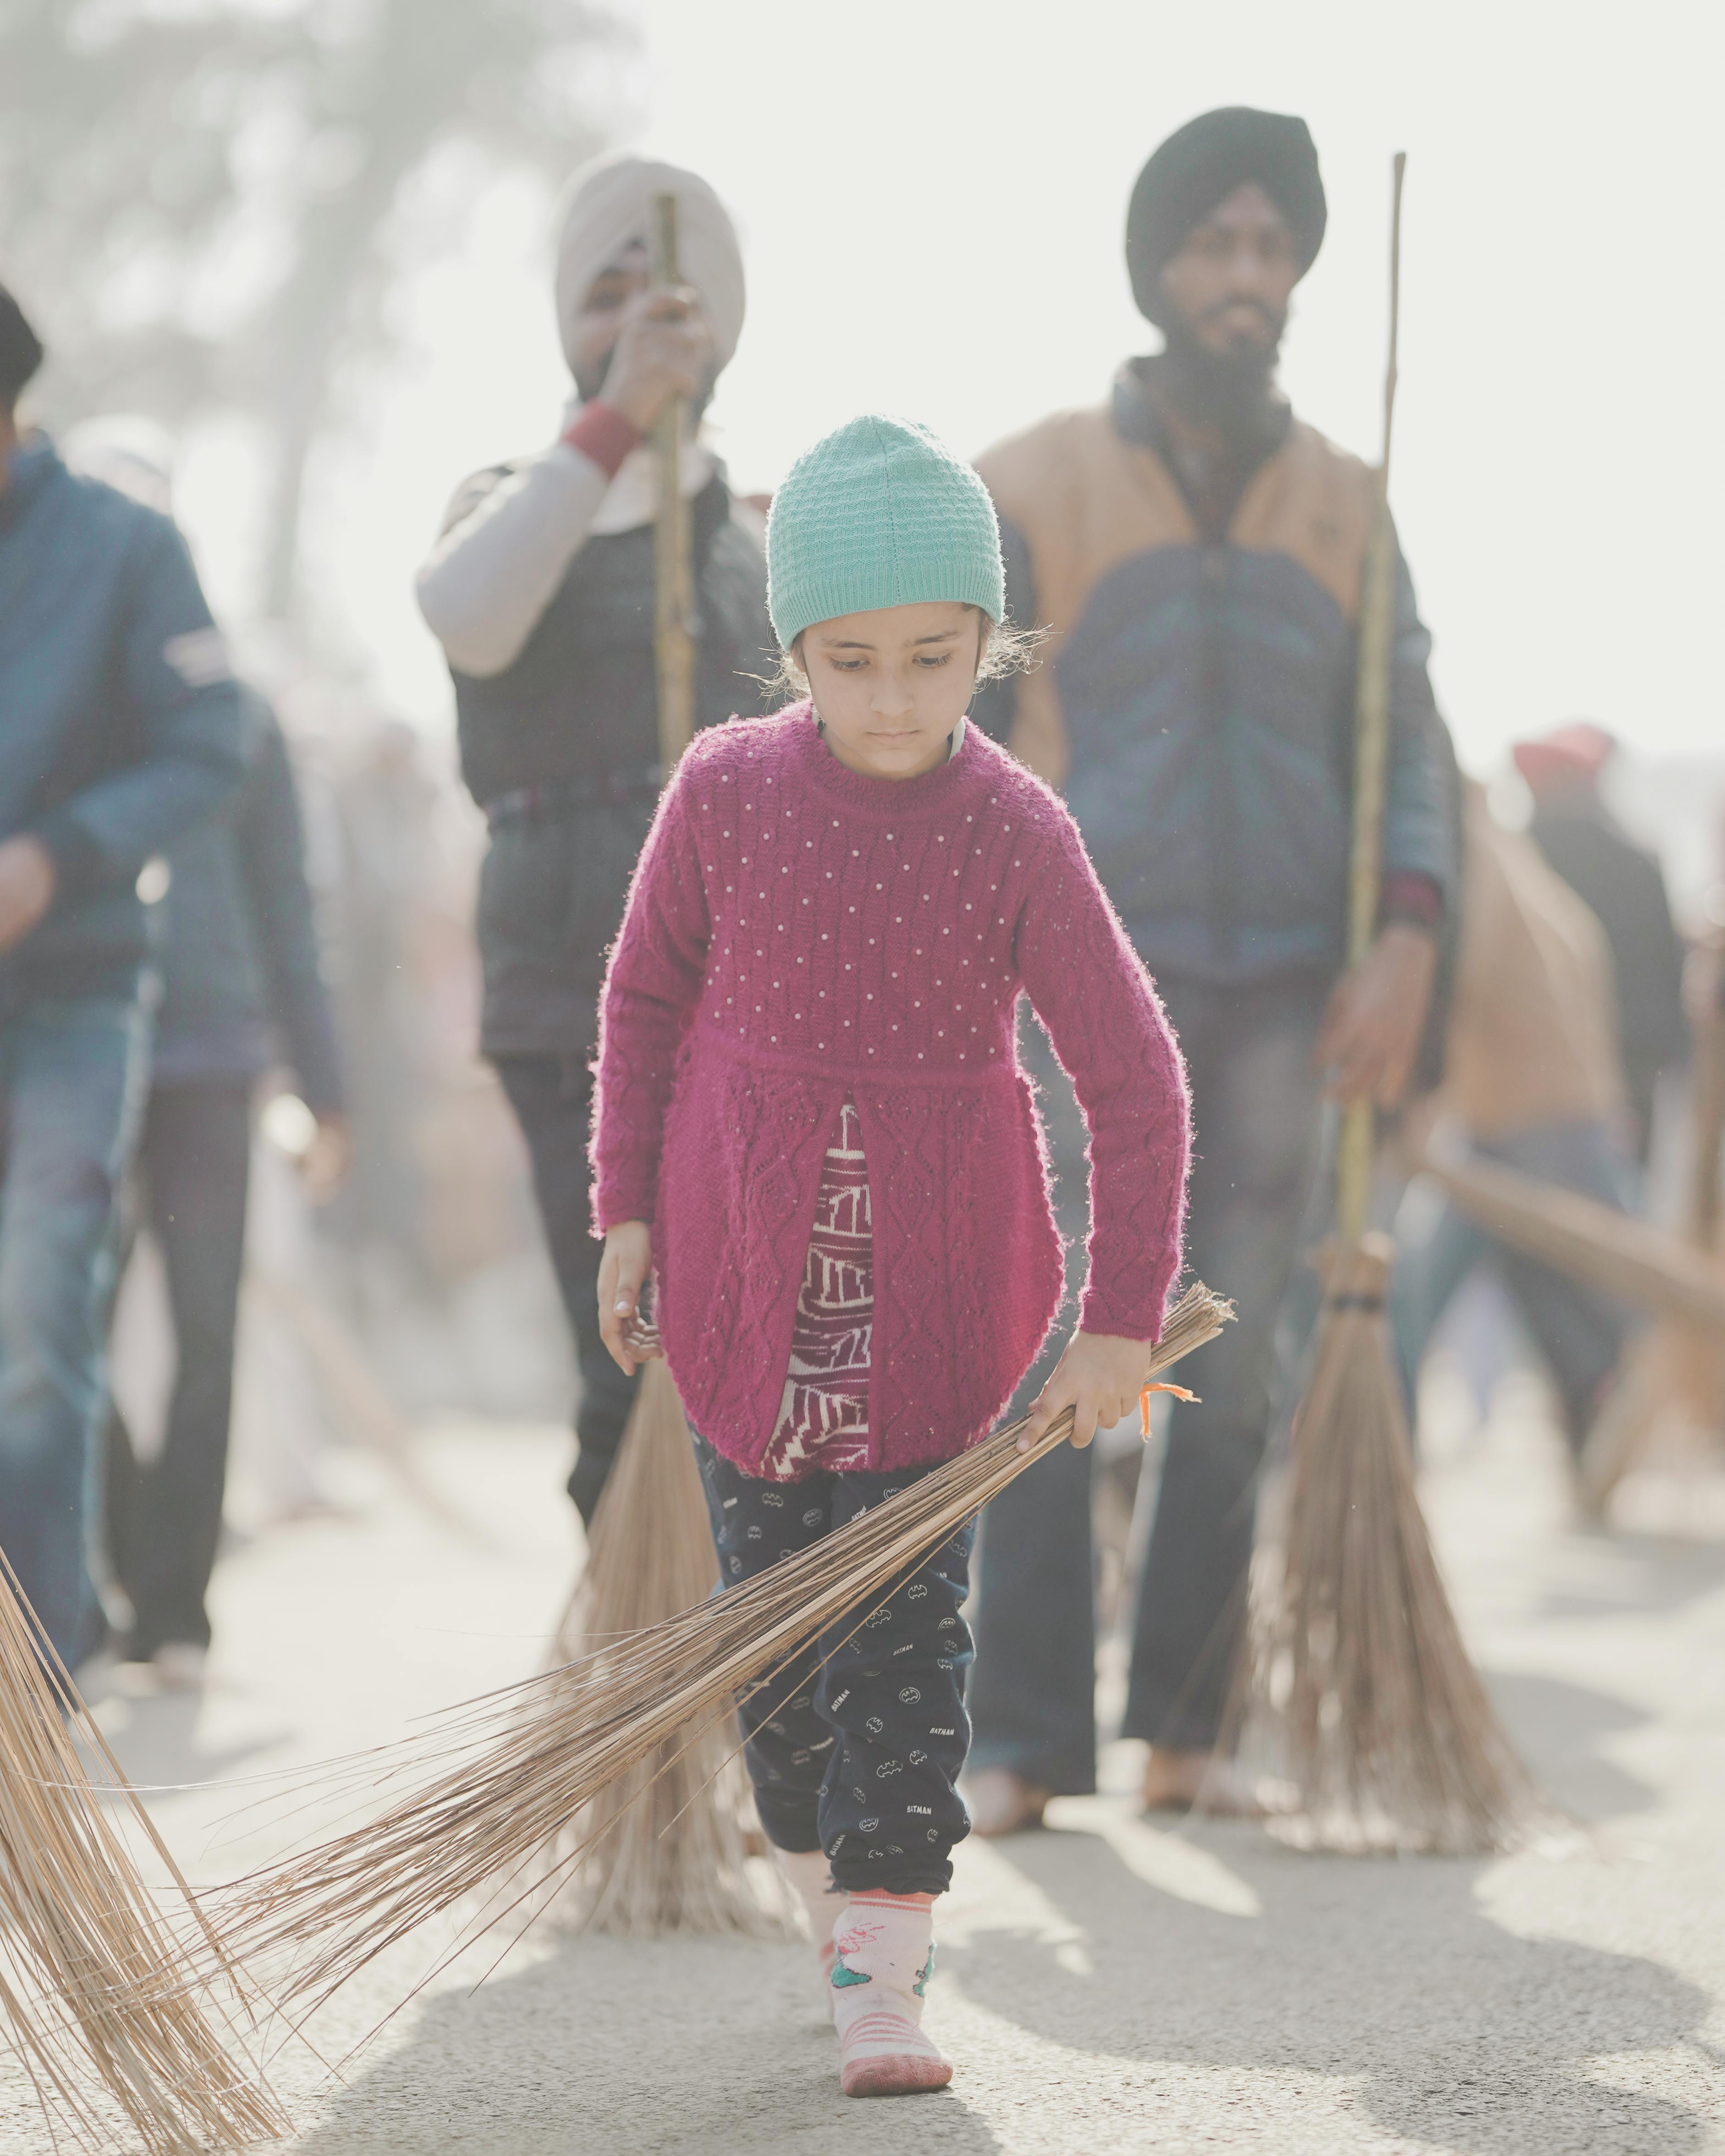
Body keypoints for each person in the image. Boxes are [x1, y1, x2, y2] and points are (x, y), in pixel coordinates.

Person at [590, 418, 1191, 2098]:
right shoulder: (722, 791)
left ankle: (883, 1967)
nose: (892, 696)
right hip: (735, 1285)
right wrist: (625, 1208)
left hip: (942, 1306)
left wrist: (1116, 1318)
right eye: (848, 660)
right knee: (775, 1657)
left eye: (935, 657)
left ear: (987, 643)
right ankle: (831, 1907)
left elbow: (1133, 1079)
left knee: (910, 1648)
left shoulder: (1015, 830)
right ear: (792, 652)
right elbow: (641, 1002)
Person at [964, 107, 1458, 1825]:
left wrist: (1405, 936)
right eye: (1216, 246)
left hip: (1285, 990)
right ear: (1159, 270)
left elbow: (1408, 744)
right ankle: (1021, 1739)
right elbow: (956, 747)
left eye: (1273, 249)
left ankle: (1186, 1731)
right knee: (1047, 1335)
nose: (1248, 278)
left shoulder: (1351, 501)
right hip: (1074, 982)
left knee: (1224, 1362)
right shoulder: (1026, 482)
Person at [416, 155, 770, 1524]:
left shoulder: (748, 541)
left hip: (741, 1001)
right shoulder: (505, 501)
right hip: (568, 991)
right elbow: (472, 615)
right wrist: (616, 421)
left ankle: (727, 1660)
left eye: (660, 301)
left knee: (738, 1347)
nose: (630, 324)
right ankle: (628, 1671)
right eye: (601, 297)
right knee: (620, 1340)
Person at [70, 406, 349, 1687]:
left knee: (203, 1330)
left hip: (213, 1060)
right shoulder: (47, 704)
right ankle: (116, 1570)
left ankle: (178, 1609)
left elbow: (290, 909)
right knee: (61, 1325)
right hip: (75, 1050)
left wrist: (326, 1082)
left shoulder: (238, 710)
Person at [0, 285, 249, 1668]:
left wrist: (59, 854)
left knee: (42, 1319)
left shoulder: (126, 548)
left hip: (76, 997)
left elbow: (211, 738)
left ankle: (41, 1665)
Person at [1392, 779, 1633, 1455]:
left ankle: (1391, 1421)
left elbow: (1460, 960)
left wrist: (1416, 1090)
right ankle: (1597, 1397)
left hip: (1527, 1107)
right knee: (1543, 1274)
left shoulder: (1466, 847)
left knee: (1599, 1285)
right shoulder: (1510, 853)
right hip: (1536, 1102)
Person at [1514, 723, 1687, 1164]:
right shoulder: (1640, 860)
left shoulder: (1529, 857)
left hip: (1556, 1064)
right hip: (1635, 1055)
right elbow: (1670, 970)